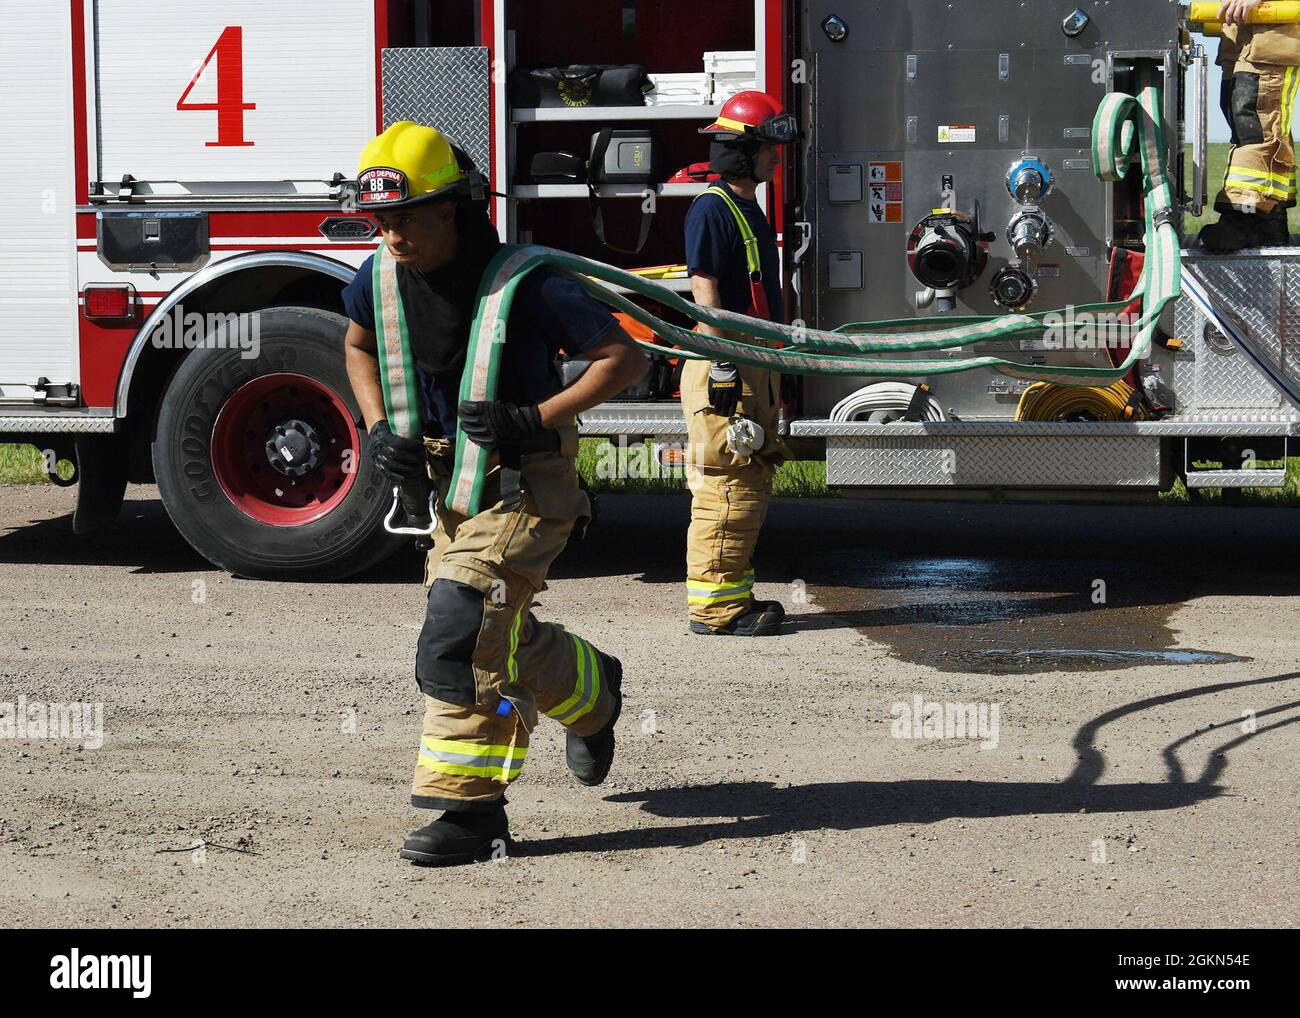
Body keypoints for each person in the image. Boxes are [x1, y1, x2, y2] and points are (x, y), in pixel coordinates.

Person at [341, 122, 647, 865]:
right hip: (454, 488)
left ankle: (471, 816)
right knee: (492, 635)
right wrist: (378, 427)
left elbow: (623, 357)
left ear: (453, 209)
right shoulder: (379, 274)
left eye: (406, 218)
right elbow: (354, 343)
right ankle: (591, 691)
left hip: (527, 484)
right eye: (380, 222)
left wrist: (530, 416)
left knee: (459, 622)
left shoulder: (527, 279)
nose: (392, 237)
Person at [680, 91, 796, 637]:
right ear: (743, 152)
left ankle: (733, 596)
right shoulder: (711, 208)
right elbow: (704, 290)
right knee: (727, 481)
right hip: (724, 363)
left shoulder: (746, 206)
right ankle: (717, 611)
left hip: (748, 362)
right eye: (770, 148)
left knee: (748, 478)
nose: (778, 157)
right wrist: (724, 364)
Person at [1199, 0, 1297, 251]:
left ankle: (1249, 217)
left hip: (1273, 32)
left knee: (1258, 121)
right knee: (1240, 115)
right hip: (1243, 31)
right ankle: (1270, 220)